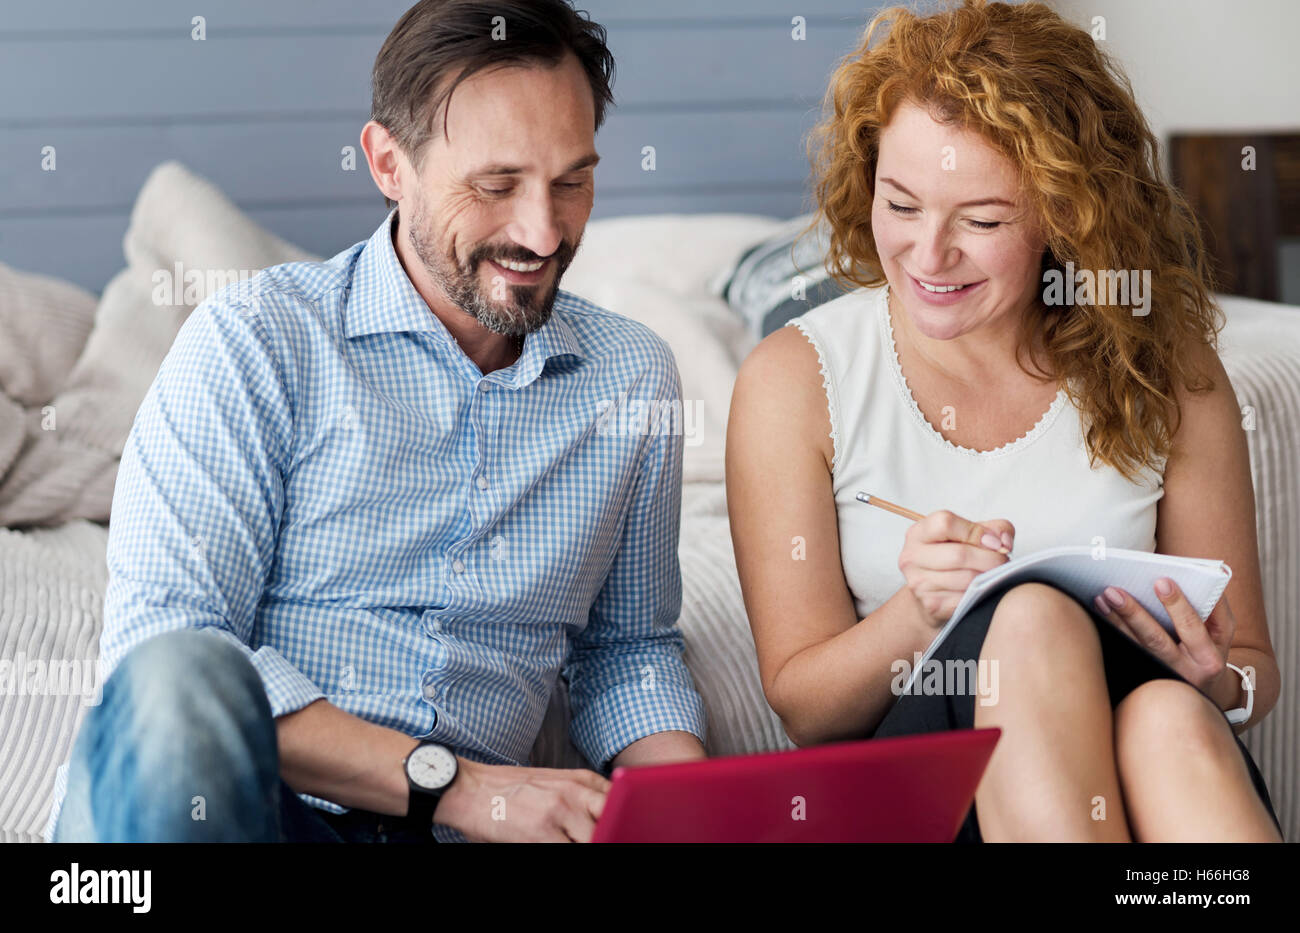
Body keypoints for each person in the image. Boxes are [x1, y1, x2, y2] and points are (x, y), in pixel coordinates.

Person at [47, 0, 707, 845]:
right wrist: (458, 786)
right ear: (388, 164)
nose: (543, 231)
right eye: (496, 184)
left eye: (572, 180)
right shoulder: (257, 340)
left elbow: (628, 654)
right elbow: (167, 660)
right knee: (179, 675)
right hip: (251, 812)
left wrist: (694, 809)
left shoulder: (631, 378)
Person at [725, 0, 1283, 842]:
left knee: (1167, 717)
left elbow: (1251, 673)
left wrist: (1218, 681)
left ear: (1069, 215)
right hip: (935, 785)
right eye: (901, 204)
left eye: (982, 221)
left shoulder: (1168, 368)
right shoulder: (798, 378)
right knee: (1030, 617)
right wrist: (920, 612)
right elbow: (806, 708)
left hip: (1151, 743)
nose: (928, 254)